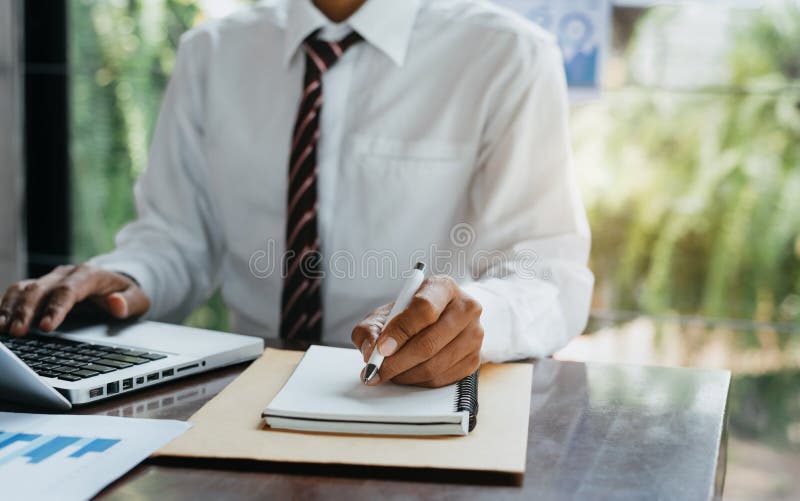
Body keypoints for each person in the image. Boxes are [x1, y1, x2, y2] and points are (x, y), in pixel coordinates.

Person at [0, 0, 593, 388]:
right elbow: (177, 239)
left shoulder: (507, 55)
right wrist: (123, 276)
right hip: (243, 391)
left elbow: (546, 272)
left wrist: (479, 318)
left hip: (408, 394)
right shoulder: (211, 54)